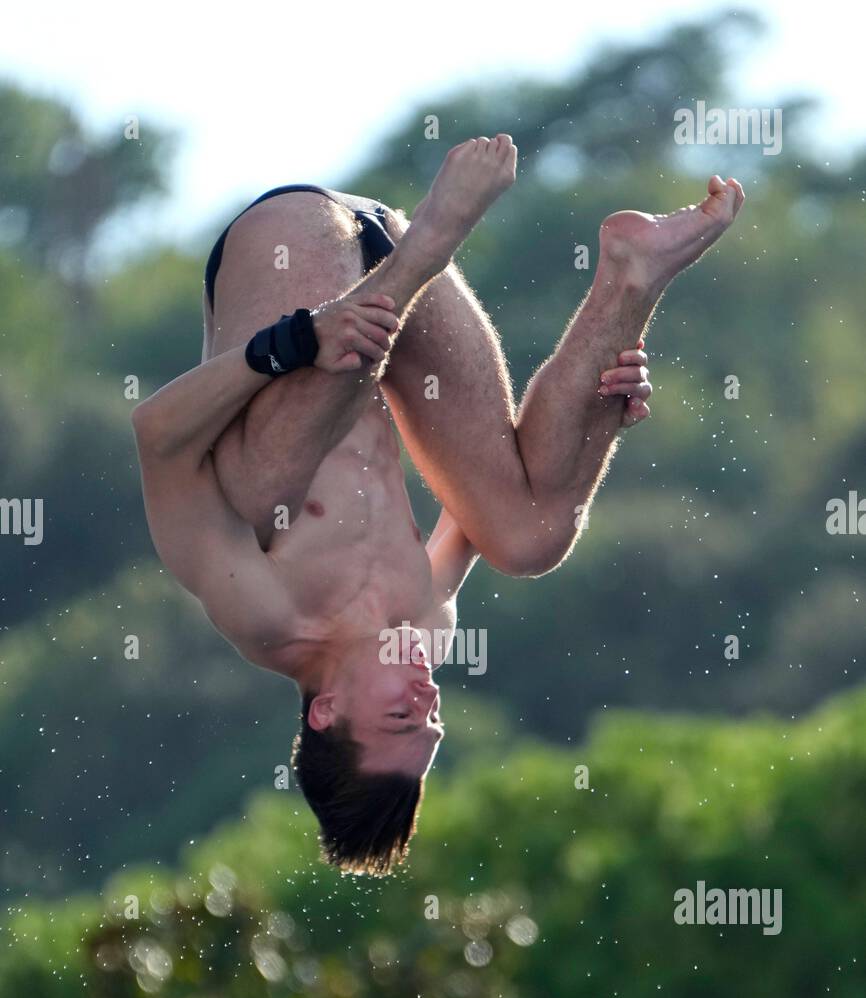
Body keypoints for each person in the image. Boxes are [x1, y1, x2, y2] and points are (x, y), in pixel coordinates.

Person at [132, 135, 743, 875]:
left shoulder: (256, 607)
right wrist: (598, 414)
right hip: (392, 256)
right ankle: (631, 278)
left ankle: (431, 242)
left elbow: (159, 435)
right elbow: (495, 496)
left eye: (399, 714)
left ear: (325, 713)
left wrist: (289, 344)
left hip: (294, 246)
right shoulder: (423, 626)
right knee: (526, 541)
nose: (425, 693)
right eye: (433, 721)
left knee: (254, 488)